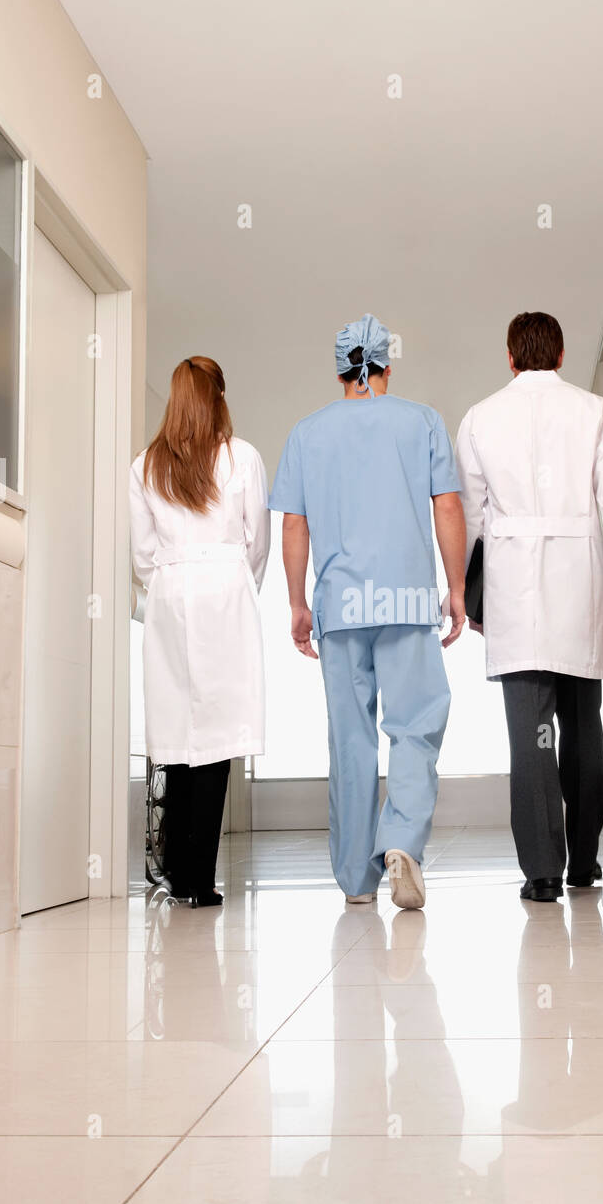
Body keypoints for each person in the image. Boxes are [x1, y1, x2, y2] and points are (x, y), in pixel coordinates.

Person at [269, 313, 466, 909]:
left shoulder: (307, 433)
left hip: (341, 604)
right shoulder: (422, 421)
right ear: (386, 363)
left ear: (339, 369)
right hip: (405, 599)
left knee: (350, 739)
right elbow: (449, 508)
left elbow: (296, 523)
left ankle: (357, 878)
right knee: (416, 725)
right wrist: (455, 590)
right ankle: (402, 840)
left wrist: (298, 603)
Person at [456, 312, 603, 903]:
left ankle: (542, 872)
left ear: (510, 357)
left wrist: (468, 595)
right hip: (579, 584)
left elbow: (468, 515)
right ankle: (585, 863)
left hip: (515, 590)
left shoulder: (480, 418)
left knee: (531, 733)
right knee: (582, 727)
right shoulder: (594, 412)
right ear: (561, 355)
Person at [129, 356, 270, 907]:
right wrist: (235, 581)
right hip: (225, 591)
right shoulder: (243, 457)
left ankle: (177, 874)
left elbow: (142, 557)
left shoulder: (143, 466)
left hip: (167, 593)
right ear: (218, 397)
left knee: (176, 728)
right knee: (217, 733)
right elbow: (256, 541)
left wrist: (170, 583)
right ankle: (200, 878)